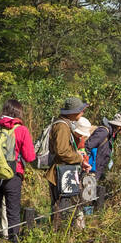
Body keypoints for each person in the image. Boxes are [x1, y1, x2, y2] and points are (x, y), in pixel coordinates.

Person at [0, 98, 37, 243]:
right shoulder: (21, 130)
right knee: (13, 213)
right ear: (18, 112)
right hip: (13, 176)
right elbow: (30, 156)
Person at [46, 96, 87, 228]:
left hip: (63, 173)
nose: (82, 113)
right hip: (60, 174)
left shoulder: (65, 124)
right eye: (81, 111)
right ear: (73, 112)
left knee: (63, 208)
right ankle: (59, 236)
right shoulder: (62, 126)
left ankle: (61, 234)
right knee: (62, 209)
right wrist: (79, 158)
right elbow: (62, 151)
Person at [84, 112, 121, 211]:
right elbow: (87, 146)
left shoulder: (112, 135)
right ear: (119, 126)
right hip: (90, 169)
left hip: (97, 170)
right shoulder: (104, 132)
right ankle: (83, 222)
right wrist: (87, 166)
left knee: (90, 198)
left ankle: (90, 220)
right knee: (86, 199)